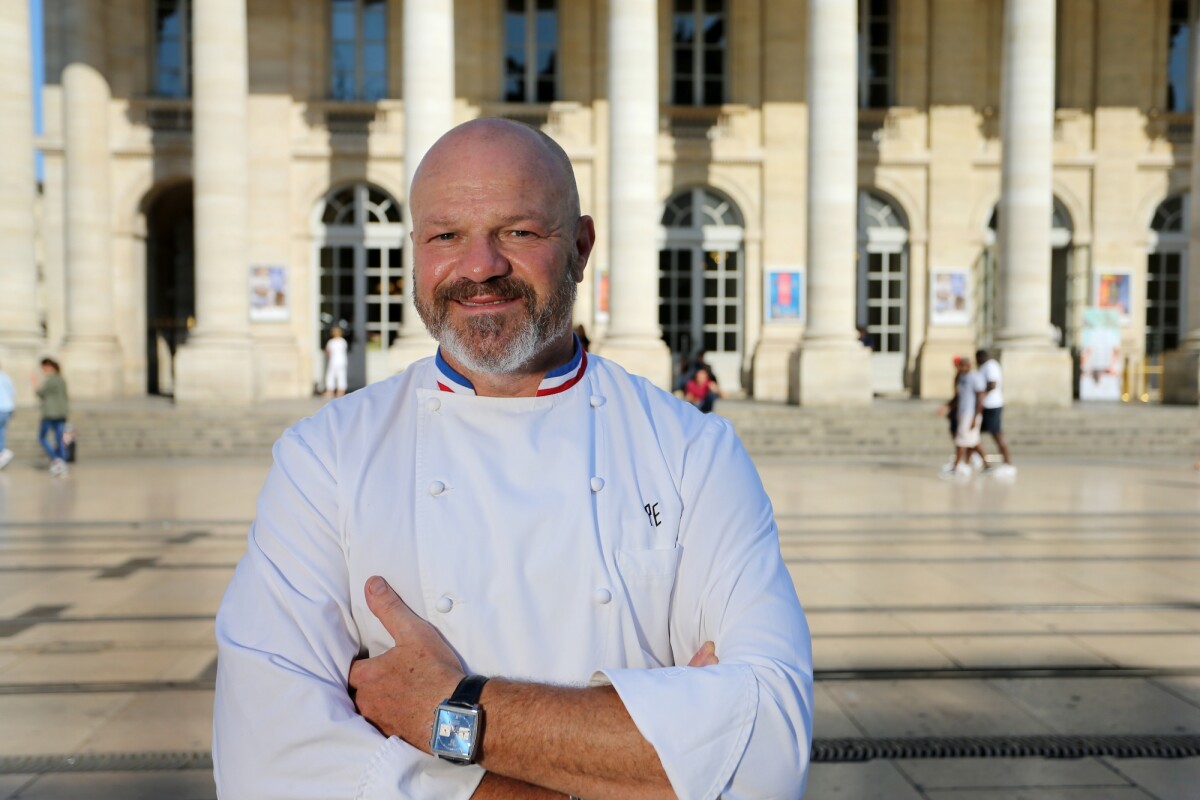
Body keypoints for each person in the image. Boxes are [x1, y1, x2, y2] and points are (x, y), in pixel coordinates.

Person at [214, 118, 813, 800]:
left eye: (519, 232)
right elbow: (269, 764)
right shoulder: (325, 460)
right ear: (415, 252)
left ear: (582, 247)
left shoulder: (692, 452)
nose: (480, 267)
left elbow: (768, 755)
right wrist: (652, 763)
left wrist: (452, 712)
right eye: (447, 236)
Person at [938, 356, 985, 480]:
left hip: (970, 413)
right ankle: (985, 464)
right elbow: (958, 396)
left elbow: (980, 398)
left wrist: (975, 417)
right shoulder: (961, 377)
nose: (961, 367)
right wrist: (947, 407)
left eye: (963, 365)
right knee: (972, 441)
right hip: (962, 411)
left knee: (961, 440)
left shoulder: (975, 377)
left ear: (969, 365)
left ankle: (956, 466)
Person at [975, 349, 1016, 476]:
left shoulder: (990, 366)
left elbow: (992, 384)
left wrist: (980, 393)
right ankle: (972, 460)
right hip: (986, 405)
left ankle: (1008, 463)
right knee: (974, 435)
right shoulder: (986, 366)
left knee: (997, 435)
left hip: (992, 405)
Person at [35, 358, 69, 477]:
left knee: (42, 437)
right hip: (61, 413)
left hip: (50, 413)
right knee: (59, 438)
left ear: (47, 367)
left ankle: (56, 459)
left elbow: (40, 393)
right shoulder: (61, 379)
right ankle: (62, 461)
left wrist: (36, 384)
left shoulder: (50, 380)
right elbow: (65, 396)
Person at [324, 326, 349, 398]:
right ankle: (341, 391)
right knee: (341, 375)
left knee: (331, 375)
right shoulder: (343, 341)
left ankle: (330, 391)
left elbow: (328, 351)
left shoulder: (331, 342)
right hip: (342, 361)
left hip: (334, 361)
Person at [0, 362, 14, 470]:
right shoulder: (6, 377)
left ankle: (3, 453)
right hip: (8, 408)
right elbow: (12, 393)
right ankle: (3, 453)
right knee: (2, 431)